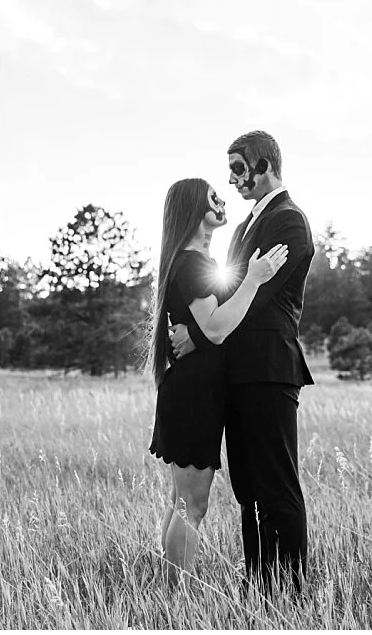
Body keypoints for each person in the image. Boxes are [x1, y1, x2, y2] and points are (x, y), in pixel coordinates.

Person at [171, 130, 315, 590]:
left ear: (264, 164)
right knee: (248, 491)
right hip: (236, 374)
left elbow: (255, 294)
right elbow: (227, 292)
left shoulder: (289, 221)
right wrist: (200, 328)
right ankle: (259, 585)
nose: (232, 180)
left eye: (238, 168)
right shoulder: (243, 228)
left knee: (276, 486)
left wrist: (196, 334)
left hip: (269, 371)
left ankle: (289, 593)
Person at [147, 178, 288, 587]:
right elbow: (217, 328)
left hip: (193, 391)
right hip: (194, 396)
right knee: (192, 505)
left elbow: (206, 327)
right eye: (213, 196)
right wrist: (254, 279)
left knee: (182, 502)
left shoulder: (196, 260)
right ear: (194, 207)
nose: (222, 200)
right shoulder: (193, 264)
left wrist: (194, 332)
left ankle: (169, 591)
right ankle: (175, 596)